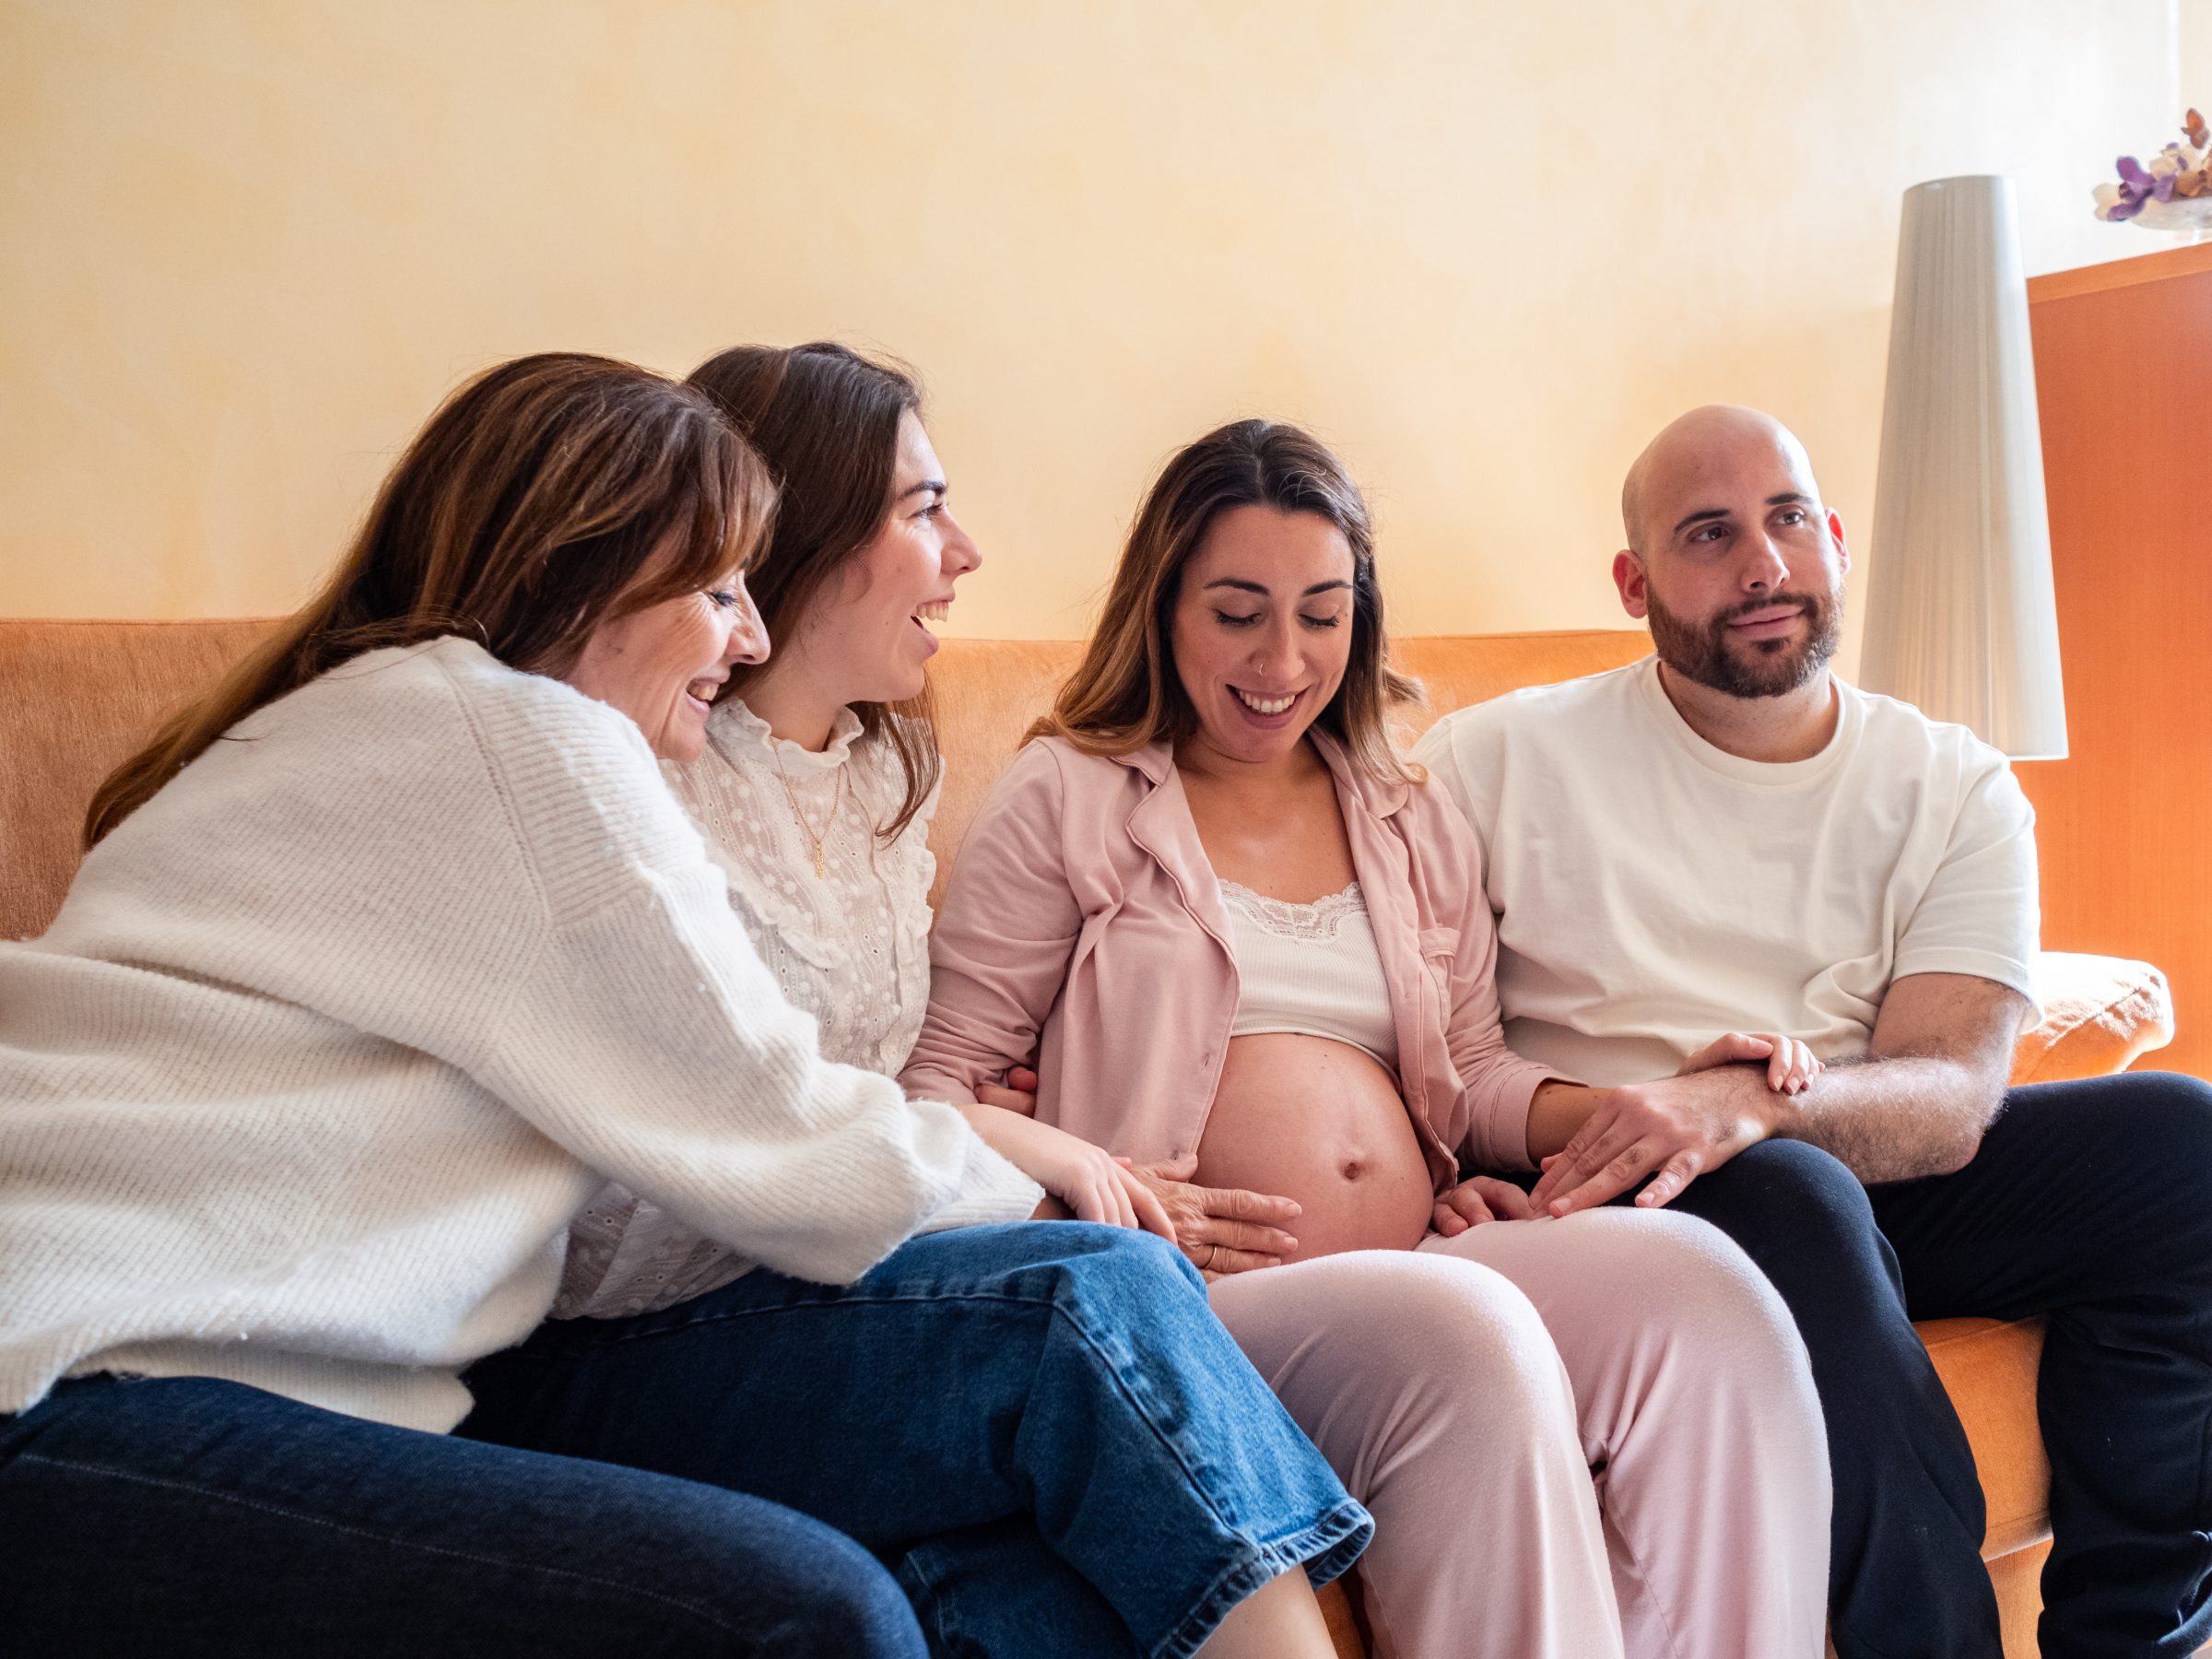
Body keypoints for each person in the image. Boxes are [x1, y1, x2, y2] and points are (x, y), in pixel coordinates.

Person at [0, 353, 1369, 1659]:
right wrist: (1048, 1173)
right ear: (590, 579)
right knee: (834, 1591)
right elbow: (782, 1138)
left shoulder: (375, 727)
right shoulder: (521, 742)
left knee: (1028, 1597)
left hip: (221, 1394)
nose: (751, 631)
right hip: (82, 1392)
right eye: (719, 589)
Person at [905, 416, 1834, 1659]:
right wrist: (1096, 1187)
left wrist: (1665, 1099)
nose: (1282, 659)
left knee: (1712, 1302)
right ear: (1163, 606)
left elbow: (1476, 1080)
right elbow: (935, 1091)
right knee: (1465, 1337)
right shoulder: (1070, 796)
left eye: (1322, 613)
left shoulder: (1406, 815)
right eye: (1237, 611)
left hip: (1416, 1253)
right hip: (1189, 1299)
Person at [1412, 402, 2212, 1659]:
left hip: (1842, 1150)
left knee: (2183, 1141)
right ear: (1634, 583)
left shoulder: (1952, 787)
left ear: (1835, 539)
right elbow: (1416, 1046)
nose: (1762, 565)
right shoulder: (1490, 762)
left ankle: (2136, 1639)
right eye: (1708, 534)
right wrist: (1464, 1181)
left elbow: (1951, 1095)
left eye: (1788, 520)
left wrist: (1759, 1103)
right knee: (1792, 1195)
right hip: (1615, 1197)